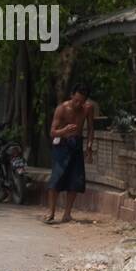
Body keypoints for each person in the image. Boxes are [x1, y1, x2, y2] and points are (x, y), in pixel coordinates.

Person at [45, 82, 96, 224]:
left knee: (75, 178)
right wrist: (64, 131)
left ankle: (67, 213)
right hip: (62, 144)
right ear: (72, 96)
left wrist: (89, 145)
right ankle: (51, 212)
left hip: (77, 144)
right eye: (76, 100)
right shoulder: (62, 109)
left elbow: (91, 128)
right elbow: (52, 132)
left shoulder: (88, 108)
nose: (78, 104)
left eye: (82, 101)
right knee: (57, 177)